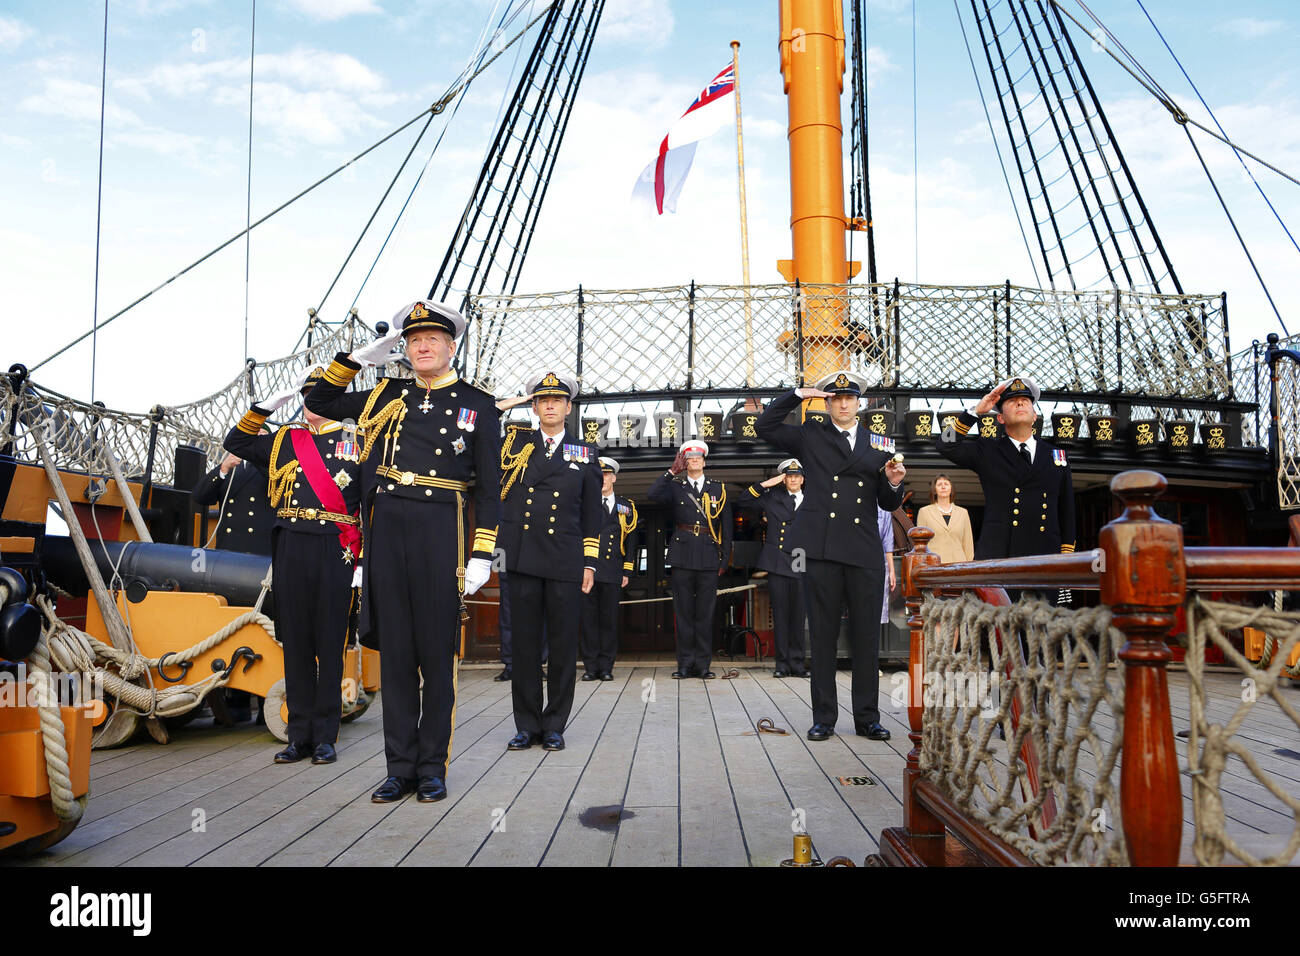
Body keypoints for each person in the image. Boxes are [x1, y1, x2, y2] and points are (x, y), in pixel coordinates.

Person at [306, 299, 501, 804]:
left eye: (432, 339)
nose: (422, 346)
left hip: (442, 527)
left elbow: (491, 488)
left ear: (451, 346)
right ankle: (399, 767)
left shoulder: (479, 404)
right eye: (413, 340)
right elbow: (321, 402)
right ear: (404, 349)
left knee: (436, 655)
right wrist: (355, 360)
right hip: (388, 528)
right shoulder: (386, 394)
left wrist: (482, 553)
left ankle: (432, 767)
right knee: (395, 656)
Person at [757, 370, 906, 741]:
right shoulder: (811, 434)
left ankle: (867, 718)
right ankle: (824, 717)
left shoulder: (880, 443)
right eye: (835, 397)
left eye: (849, 398)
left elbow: (886, 503)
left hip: (862, 548)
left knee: (867, 637)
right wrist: (795, 394)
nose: (842, 403)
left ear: (860, 403)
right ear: (826, 402)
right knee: (822, 636)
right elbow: (765, 426)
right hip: (819, 549)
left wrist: (894, 482)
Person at [223, 367, 362, 765]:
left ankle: (325, 736)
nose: (310, 401)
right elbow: (237, 441)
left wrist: (363, 560)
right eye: (306, 394)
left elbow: (369, 503)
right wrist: (265, 408)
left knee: (329, 644)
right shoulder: (286, 439)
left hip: (336, 548)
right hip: (291, 545)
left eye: (318, 394)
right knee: (296, 643)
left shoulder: (358, 441)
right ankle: (298, 735)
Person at [498, 371, 601, 752]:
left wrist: (590, 563)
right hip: (523, 557)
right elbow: (476, 426)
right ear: (534, 407)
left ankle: (554, 723)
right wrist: (509, 404)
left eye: (557, 400)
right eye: (542, 401)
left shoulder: (585, 454)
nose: (550, 405)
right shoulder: (515, 444)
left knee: (561, 648)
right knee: (524, 648)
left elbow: (592, 515)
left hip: (565, 561)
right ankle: (526, 725)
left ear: (569, 408)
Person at [933, 376, 1075, 561]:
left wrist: (1066, 557)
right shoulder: (988, 450)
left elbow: (1067, 510)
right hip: (1000, 556)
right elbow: (945, 444)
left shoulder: (1056, 456)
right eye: (1012, 401)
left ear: (1034, 416)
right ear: (1000, 418)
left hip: (1046, 556)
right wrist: (975, 412)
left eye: (1025, 401)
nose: (1020, 404)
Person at [648, 439, 732, 680]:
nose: (694, 461)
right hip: (682, 555)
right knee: (683, 613)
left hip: (708, 556)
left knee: (705, 615)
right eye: (689, 459)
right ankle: (685, 664)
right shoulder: (676, 486)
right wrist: (671, 471)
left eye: (697, 458)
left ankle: (703, 665)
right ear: (684, 463)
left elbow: (726, 529)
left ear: (704, 461)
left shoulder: (719, 490)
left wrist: (724, 560)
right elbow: (651, 494)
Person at [745, 458, 809, 678]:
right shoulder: (773, 497)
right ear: (784, 479)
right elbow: (744, 500)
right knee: (780, 616)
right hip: (777, 559)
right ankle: (782, 664)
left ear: (802, 479)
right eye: (789, 476)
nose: (793, 479)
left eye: (797, 476)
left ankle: (798, 664)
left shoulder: (813, 499)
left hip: (801, 559)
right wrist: (767, 484)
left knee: (798, 616)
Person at [581, 457, 638, 682]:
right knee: (588, 621)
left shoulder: (626, 506)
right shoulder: (583, 502)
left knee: (609, 621)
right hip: (587, 570)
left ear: (613, 477)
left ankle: (606, 667)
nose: (603, 479)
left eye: (606, 475)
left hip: (613, 571)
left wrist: (627, 570)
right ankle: (590, 667)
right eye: (599, 474)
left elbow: (632, 540)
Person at [191, 442, 274, 556]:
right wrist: (223, 469)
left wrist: (259, 458)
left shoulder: (273, 467)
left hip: (259, 550)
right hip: (229, 548)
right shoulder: (231, 467)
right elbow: (200, 497)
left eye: (261, 436)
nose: (256, 438)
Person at [914, 474, 974, 564]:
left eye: (946, 484)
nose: (943, 487)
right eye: (939, 484)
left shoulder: (963, 513)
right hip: (934, 565)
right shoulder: (924, 512)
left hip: (959, 565)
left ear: (951, 488)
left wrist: (969, 565)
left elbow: (968, 543)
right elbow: (920, 544)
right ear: (934, 490)